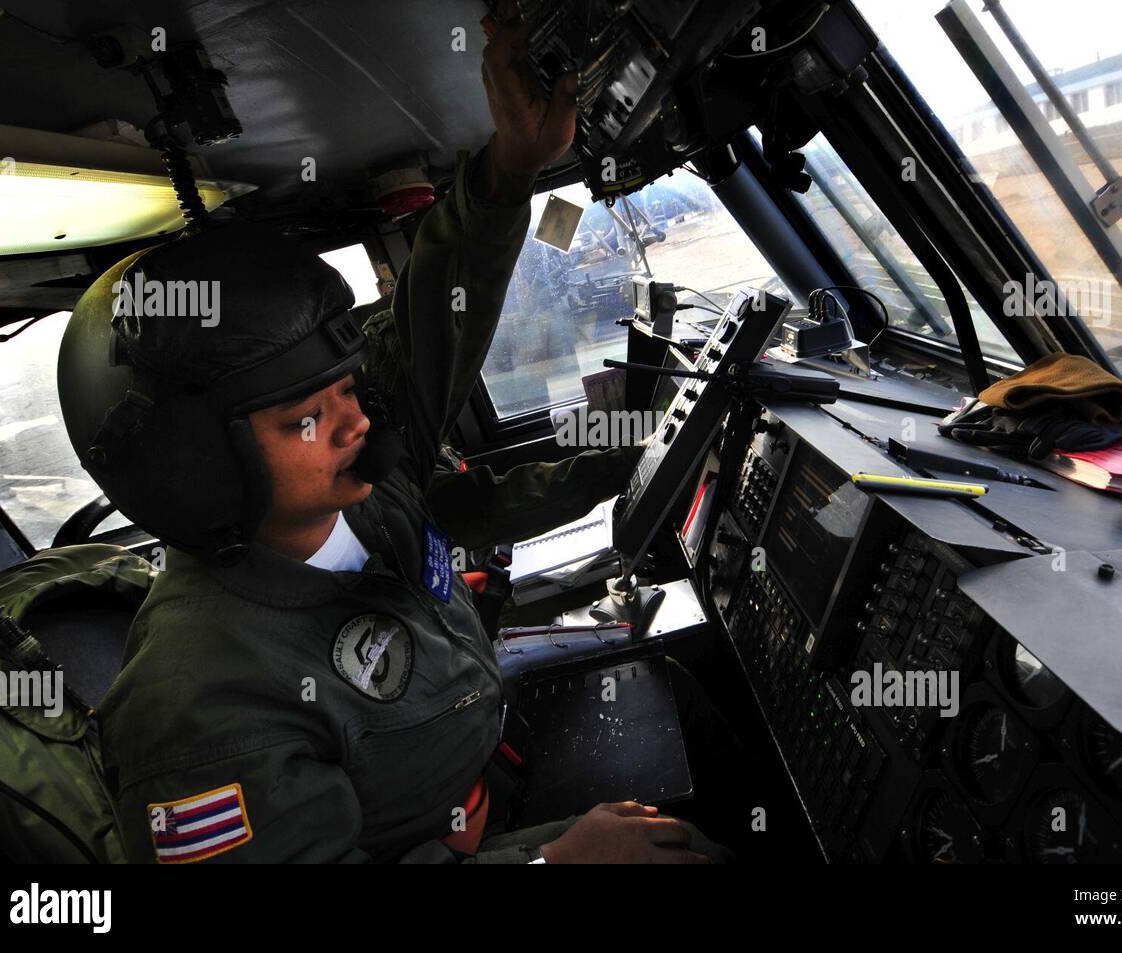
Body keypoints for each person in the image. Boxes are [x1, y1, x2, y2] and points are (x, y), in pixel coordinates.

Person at [59, 13, 723, 864]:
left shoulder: (359, 483)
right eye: (304, 413)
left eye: (344, 388)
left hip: (494, 764)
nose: (356, 419)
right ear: (196, 469)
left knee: (700, 709)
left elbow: (429, 327)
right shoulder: (198, 717)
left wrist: (512, 168)